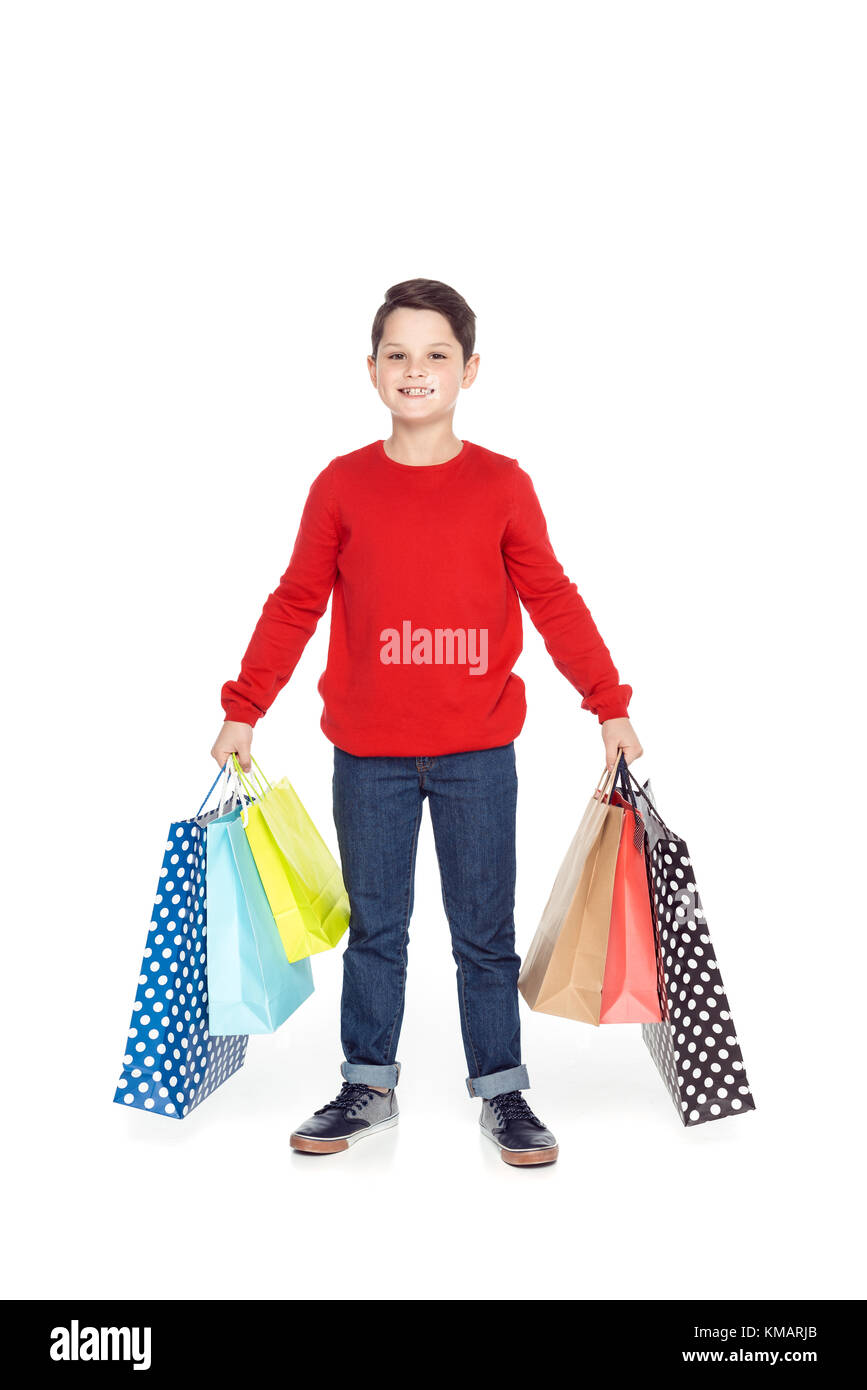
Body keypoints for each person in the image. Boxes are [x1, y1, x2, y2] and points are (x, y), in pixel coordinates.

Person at [211, 278, 644, 1168]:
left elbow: (553, 599)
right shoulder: (340, 486)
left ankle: (502, 1091)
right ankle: (367, 1084)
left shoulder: (501, 485)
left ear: (469, 369)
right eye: (398, 355)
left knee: (482, 933)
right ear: (372, 372)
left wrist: (608, 703)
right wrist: (243, 708)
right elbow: (295, 602)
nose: (417, 370)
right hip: (367, 757)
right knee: (377, 929)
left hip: (477, 753)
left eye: (436, 354)